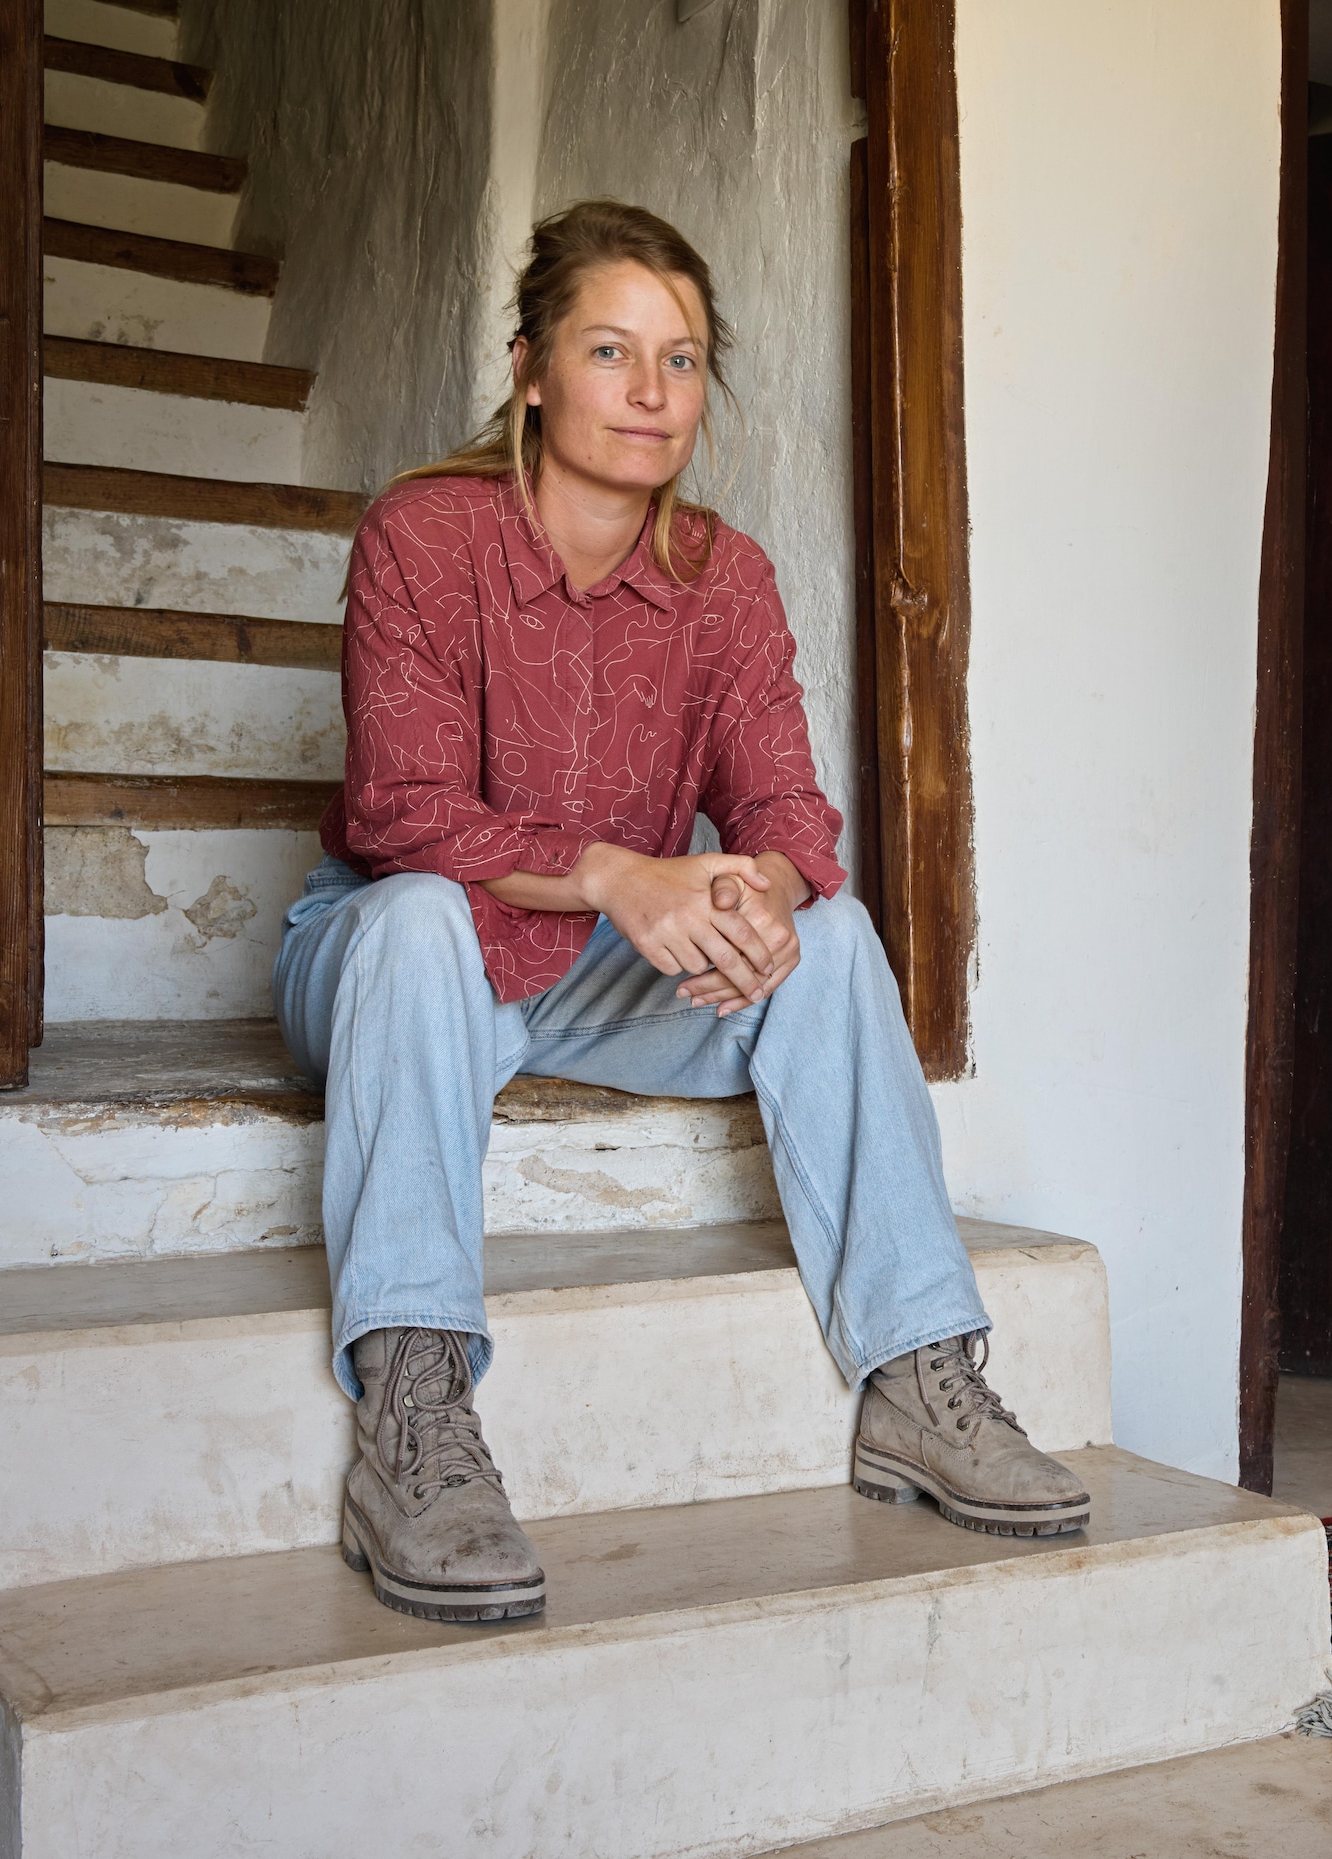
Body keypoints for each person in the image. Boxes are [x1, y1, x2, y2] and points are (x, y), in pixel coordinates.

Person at [273, 201, 1087, 1624]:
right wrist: (613, 872)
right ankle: (413, 1426)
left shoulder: (728, 579)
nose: (652, 393)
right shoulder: (425, 533)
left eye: (684, 359)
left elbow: (787, 816)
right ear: (531, 369)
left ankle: (919, 1378)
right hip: (402, 969)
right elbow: (400, 810)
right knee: (410, 916)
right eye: (611, 350)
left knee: (833, 937)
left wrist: (760, 900)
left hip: (589, 977)